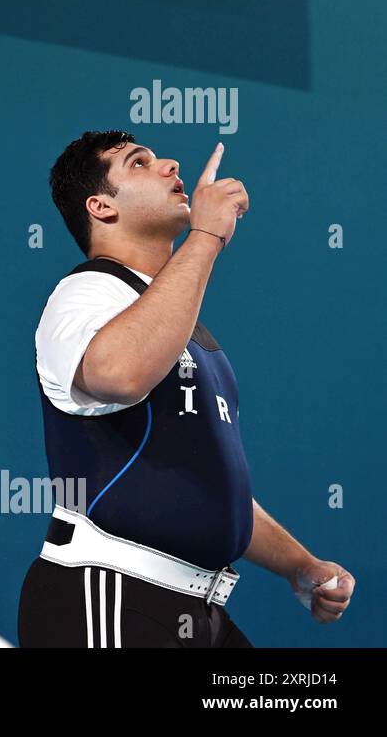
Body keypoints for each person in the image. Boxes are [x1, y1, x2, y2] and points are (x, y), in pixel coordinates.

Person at [18, 131, 355, 647]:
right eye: (139, 163)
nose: (170, 163)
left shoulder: (181, 325)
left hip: (198, 612)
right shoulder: (84, 292)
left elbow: (212, 485)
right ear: (100, 206)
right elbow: (117, 374)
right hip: (108, 595)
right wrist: (205, 237)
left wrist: (300, 565)